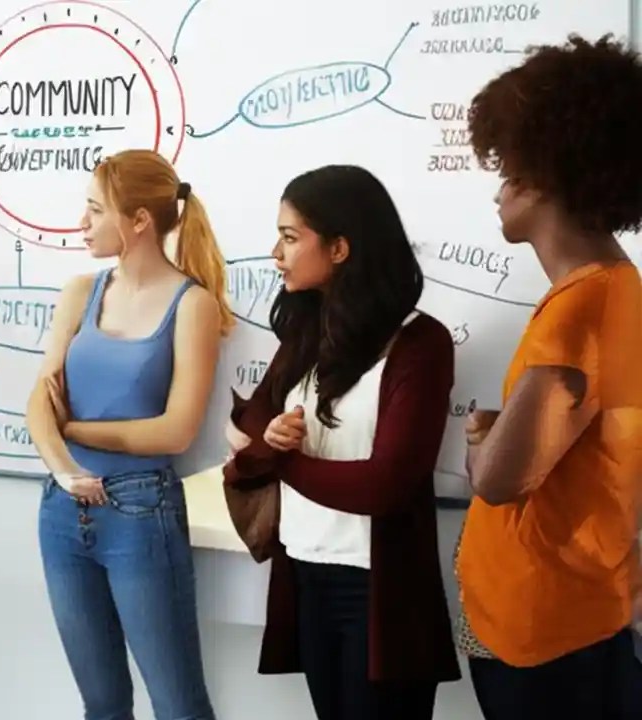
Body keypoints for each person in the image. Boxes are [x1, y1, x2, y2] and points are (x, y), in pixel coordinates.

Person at [222, 165, 461, 720]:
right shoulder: (309, 330)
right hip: (305, 575)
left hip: (377, 592)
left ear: (339, 248)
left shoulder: (420, 342)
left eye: (289, 237)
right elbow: (251, 427)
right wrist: (269, 440)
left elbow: (385, 486)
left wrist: (284, 461)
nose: (275, 253)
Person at [454, 33, 642, 719]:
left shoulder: (580, 308)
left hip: (542, 625)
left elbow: (504, 479)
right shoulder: (621, 289)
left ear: (543, 174)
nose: (500, 189)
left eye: (508, 168)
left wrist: (481, 441)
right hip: (579, 608)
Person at [27, 149, 233, 720]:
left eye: (95, 210)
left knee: (179, 704)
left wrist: (76, 429)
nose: (81, 223)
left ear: (139, 220)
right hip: (63, 510)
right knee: (102, 703)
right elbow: (37, 402)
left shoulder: (192, 305)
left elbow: (175, 431)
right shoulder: (79, 291)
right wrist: (64, 470)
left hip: (142, 511)